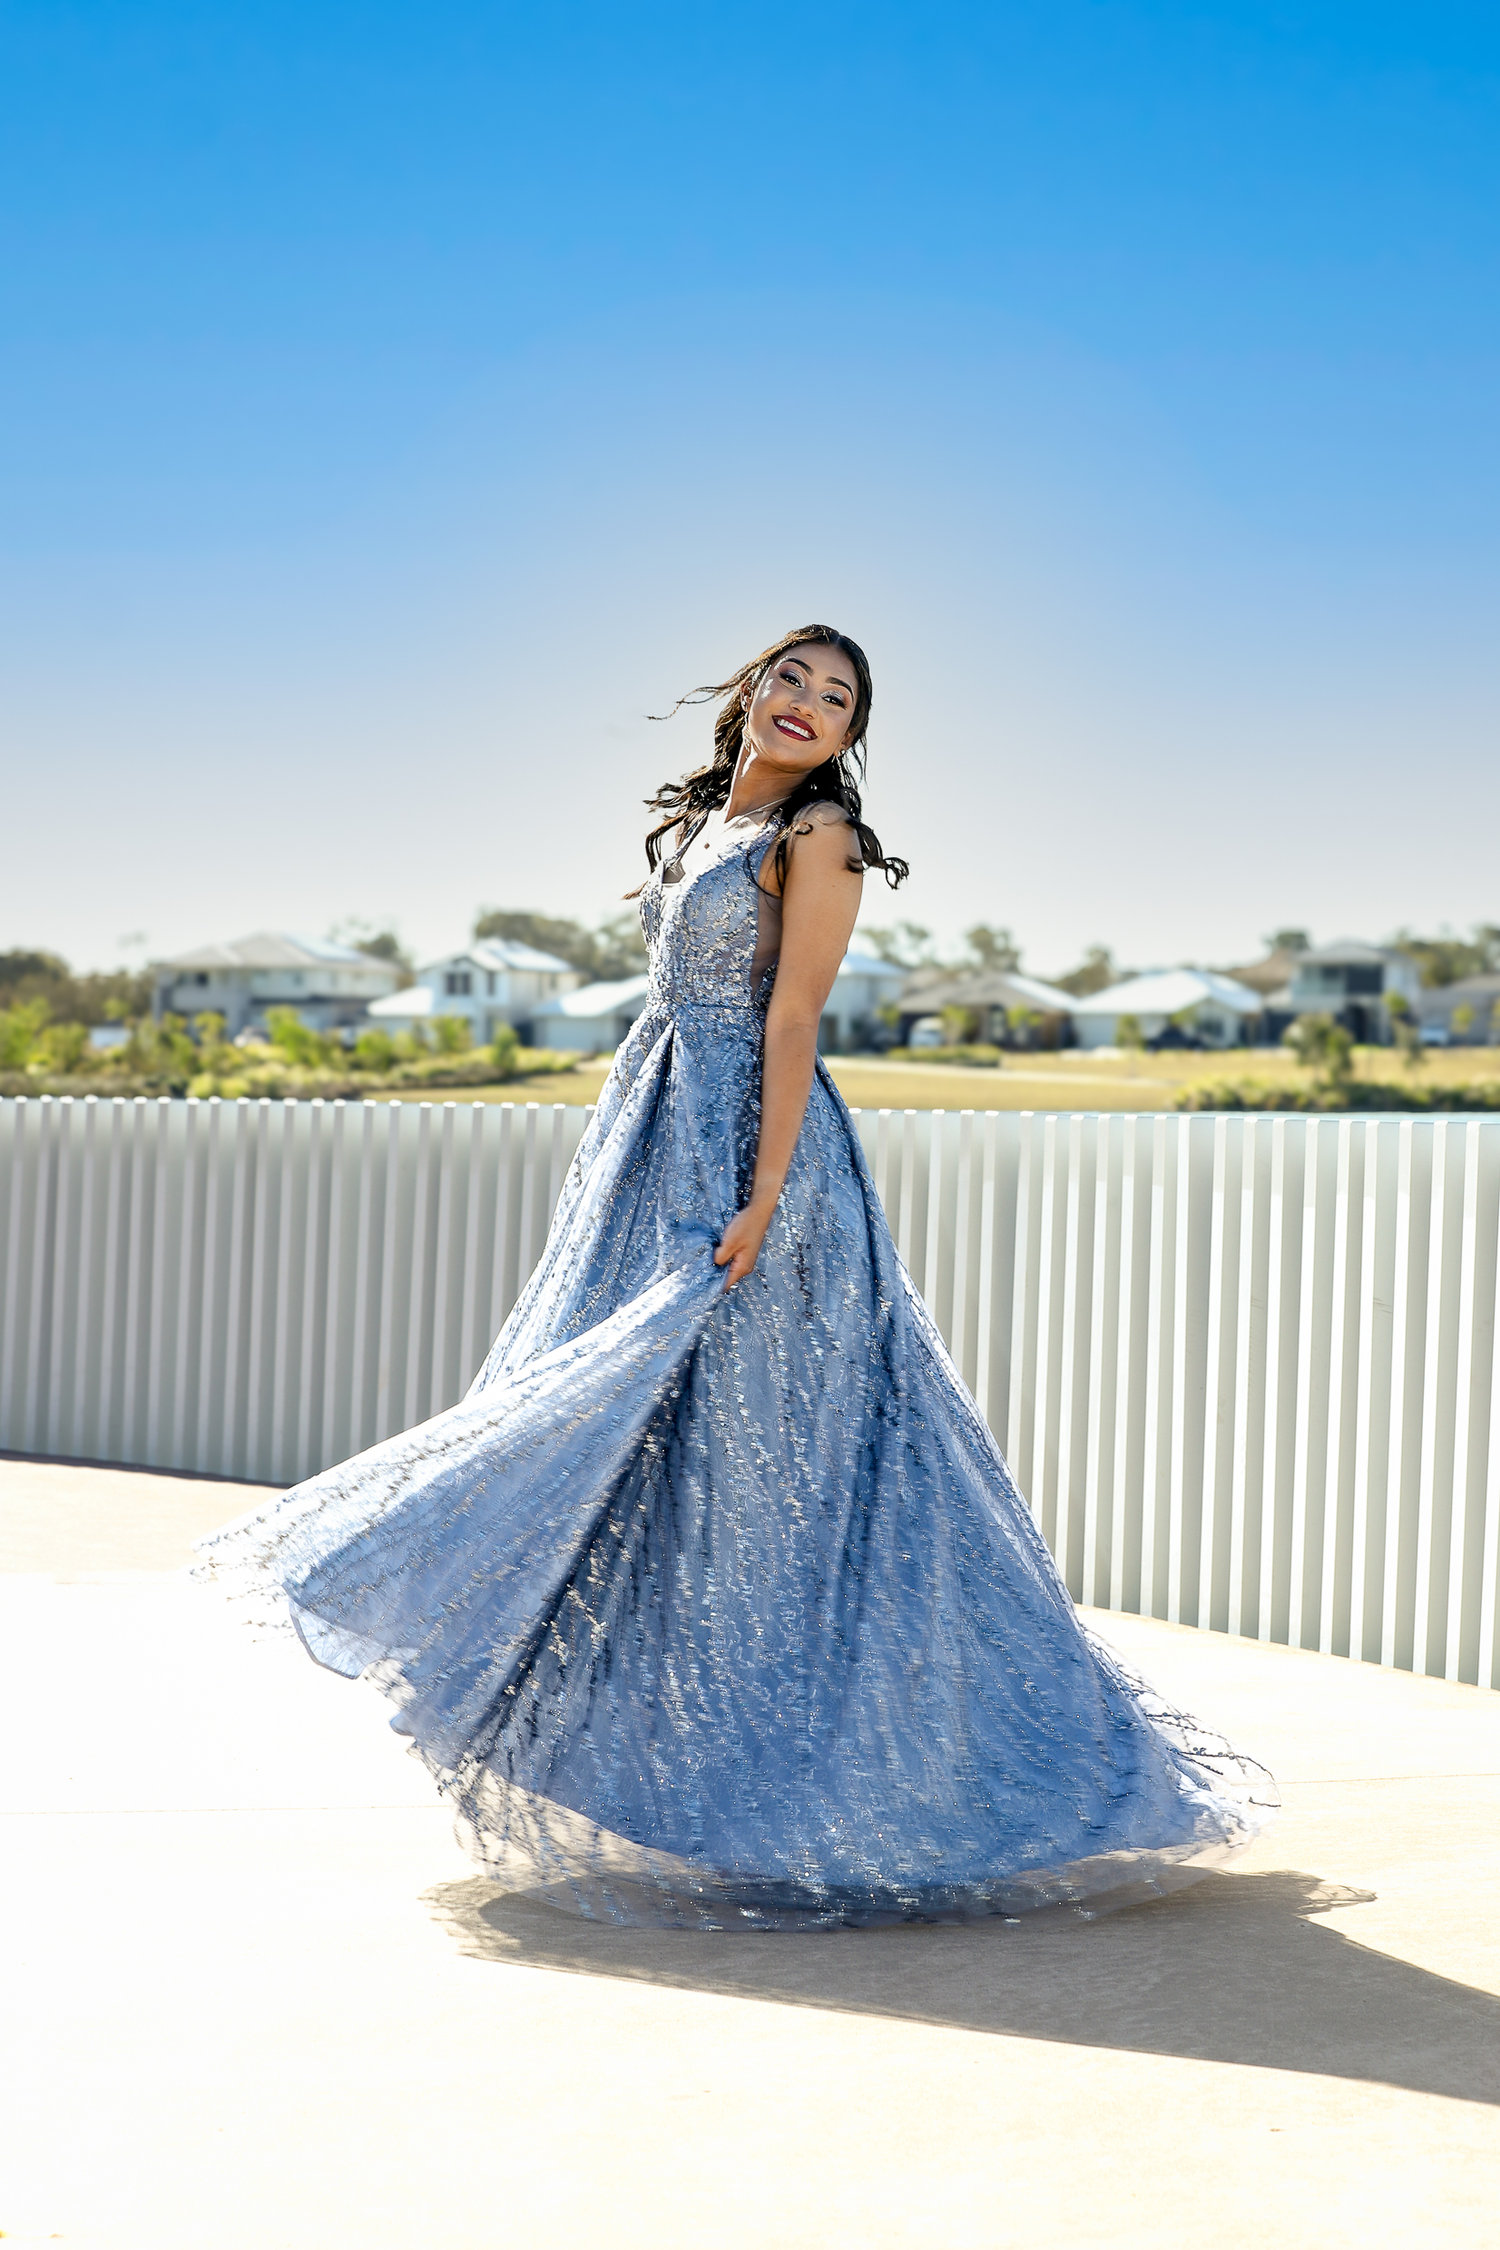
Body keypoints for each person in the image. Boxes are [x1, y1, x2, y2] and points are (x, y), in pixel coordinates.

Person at [196, 624, 1273, 1929]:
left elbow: (792, 1017)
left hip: (760, 1172)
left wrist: (761, 1196)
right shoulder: (710, 823)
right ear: (750, 691)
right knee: (648, 1458)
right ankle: (701, 1782)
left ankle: (922, 1786)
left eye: (840, 696)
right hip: (660, 1144)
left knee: (782, 1483)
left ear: (851, 733)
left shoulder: (816, 838)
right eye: (794, 679)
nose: (811, 704)